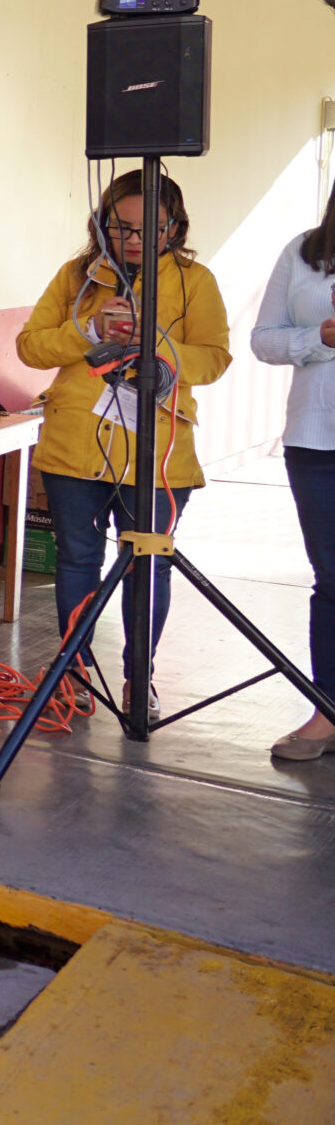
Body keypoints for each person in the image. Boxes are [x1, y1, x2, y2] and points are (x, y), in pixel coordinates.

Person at [15, 169, 230, 717]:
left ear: (175, 227)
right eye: (120, 226)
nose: (133, 239)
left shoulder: (195, 281)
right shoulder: (77, 276)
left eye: (149, 228)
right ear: (101, 223)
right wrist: (89, 329)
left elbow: (214, 359)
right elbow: (31, 347)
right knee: (77, 561)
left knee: (147, 564)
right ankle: (74, 675)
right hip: (74, 446)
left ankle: (139, 679)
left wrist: (153, 341)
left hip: (157, 455)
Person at [253, 191, 335, 762]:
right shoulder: (304, 252)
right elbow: (263, 339)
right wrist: (318, 339)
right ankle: (326, 710)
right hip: (316, 440)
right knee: (332, 580)